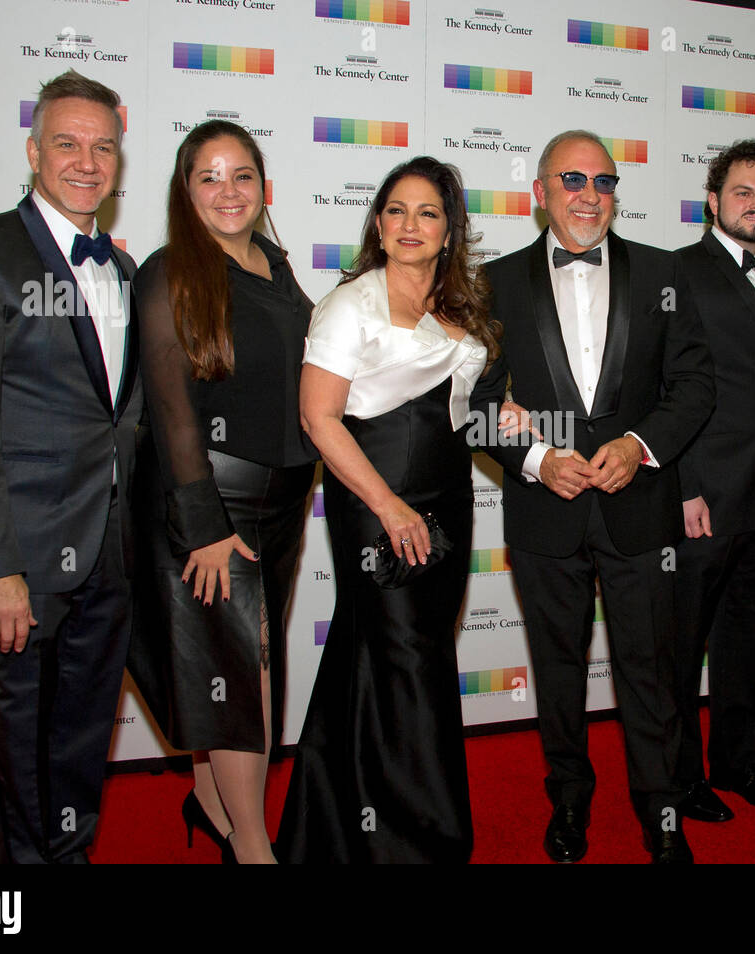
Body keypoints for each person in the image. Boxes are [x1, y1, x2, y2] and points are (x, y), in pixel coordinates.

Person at [471, 130, 714, 863]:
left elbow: (695, 385)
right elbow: (475, 402)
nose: (590, 194)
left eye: (604, 181)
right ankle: (569, 801)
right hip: (545, 513)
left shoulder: (664, 272)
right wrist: (539, 459)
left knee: (651, 669)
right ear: (539, 191)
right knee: (558, 670)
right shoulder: (495, 281)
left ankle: (660, 814)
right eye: (572, 179)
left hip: (640, 508)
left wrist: (639, 447)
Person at [0, 70, 140, 863]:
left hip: (109, 558)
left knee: (80, 747)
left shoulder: (123, 272)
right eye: (68, 144)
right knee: (19, 759)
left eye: (103, 146)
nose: (87, 161)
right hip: (24, 563)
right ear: (33, 150)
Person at [275, 156, 496, 863]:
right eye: (396, 210)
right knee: (406, 660)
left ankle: (330, 828)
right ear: (378, 222)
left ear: (448, 230)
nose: (410, 225)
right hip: (378, 503)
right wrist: (390, 508)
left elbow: (461, 406)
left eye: (427, 213)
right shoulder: (352, 304)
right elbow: (319, 419)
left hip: (448, 499)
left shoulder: (459, 307)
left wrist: (508, 415)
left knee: (382, 655)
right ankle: (411, 843)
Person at [127, 120, 316, 864]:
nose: (227, 191)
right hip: (215, 506)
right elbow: (170, 409)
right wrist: (201, 525)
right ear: (185, 190)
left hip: (285, 502)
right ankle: (253, 847)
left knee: (243, 670)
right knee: (244, 686)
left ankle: (210, 809)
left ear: (263, 188)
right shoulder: (169, 271)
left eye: (242, 175)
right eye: (209, 176)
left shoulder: (276, 265)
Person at [672, 140, 755, 824]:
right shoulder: (681, 272)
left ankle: (737, 764)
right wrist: (685, 485)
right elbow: (667, 388)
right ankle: (680, 781)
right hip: (705, 495)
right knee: (681, 643)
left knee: (744, 639)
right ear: (713, 201)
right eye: (743, 193)